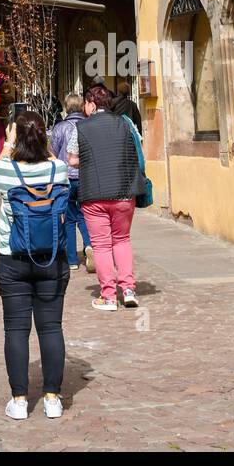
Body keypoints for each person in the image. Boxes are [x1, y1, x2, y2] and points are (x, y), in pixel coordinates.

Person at [0, 111, 70, 420]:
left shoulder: (5, 171)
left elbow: (1, 161)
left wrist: (11, 141)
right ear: (44, 137)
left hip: (13, 258)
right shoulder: (58, 169)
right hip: (52, 258)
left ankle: (20, 400)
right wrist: (42, 140)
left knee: (16, 329)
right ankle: (52, 398)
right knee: (51, 328)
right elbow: (53, 157)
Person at [66, 83, 144, 312]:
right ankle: (128, 289)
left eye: (85, 104)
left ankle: (109, 295)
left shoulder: (80, 128)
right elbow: (137, 147)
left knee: (101, 245)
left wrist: (93, 159)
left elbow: (71, 160)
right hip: (123, 191)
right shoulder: (125, 123)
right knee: (122, 240)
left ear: (91, 104)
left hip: (94, 193)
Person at [50, 94, 94, 273]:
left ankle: (72, 259)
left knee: (68, 219)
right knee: (85, 215)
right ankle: (89, 246)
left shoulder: (60, 128)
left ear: (66, 108)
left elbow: (52, 151)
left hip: (66, 178)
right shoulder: (88, 126)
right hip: (85, 176)